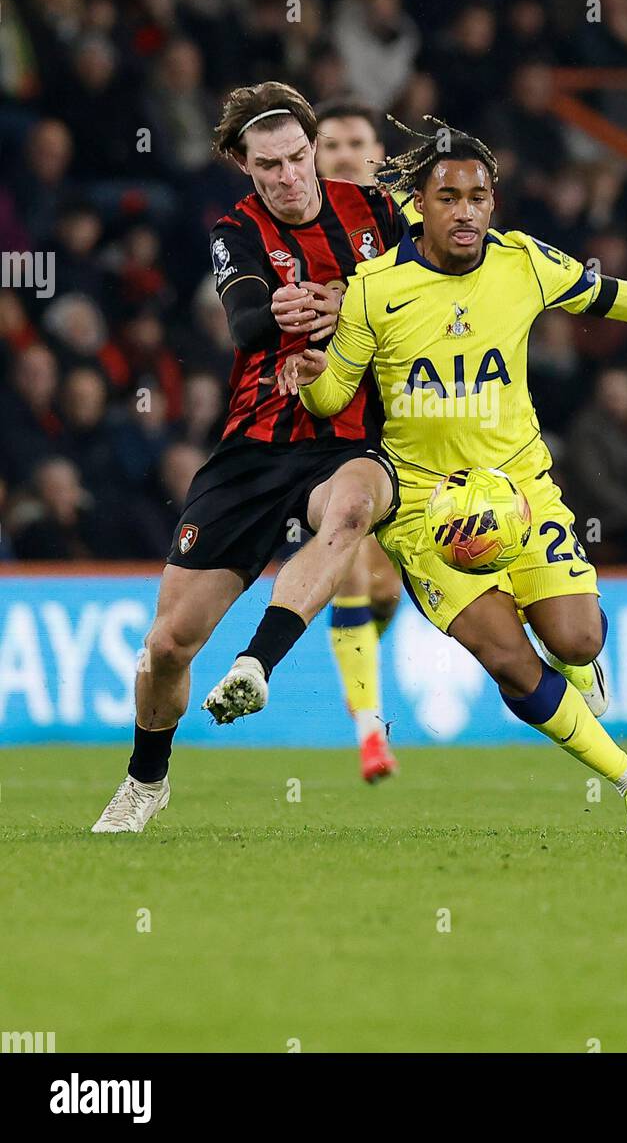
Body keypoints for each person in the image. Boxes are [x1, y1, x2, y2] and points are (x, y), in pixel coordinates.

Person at [230, 118, 627, 834]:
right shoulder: (377, 289)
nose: (465, 211)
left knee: (576, 641)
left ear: (493, 201)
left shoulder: (526, 264)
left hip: (521, 494)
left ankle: (583, 657)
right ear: (421, 204)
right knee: (506, 658)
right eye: (448, 197)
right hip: (426, 513)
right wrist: (311, 376)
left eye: (478, 196)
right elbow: (334, 396)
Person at [91, 82, 405, 834]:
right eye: (270, 166)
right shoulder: (235, 228)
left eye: (300, 157)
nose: (290, 176)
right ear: (242, 163)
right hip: (256, 451)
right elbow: (243, 321)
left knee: (352, 509)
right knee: (168, 645)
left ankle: (256, 663)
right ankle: (147, 779)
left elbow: (428, 294)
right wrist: (282, 312)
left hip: (350, 439)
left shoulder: (379, 214)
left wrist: (347, 304)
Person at [311, 98, 404, 780]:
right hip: (331, 422)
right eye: (331, 145)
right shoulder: (289, 226)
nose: (344, 155)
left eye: (357, 144)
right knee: (354, 562)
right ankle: (371, 733)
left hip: (409, 420)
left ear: (380, 155)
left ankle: (367, 704)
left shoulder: (405, 226)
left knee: (385, 594)